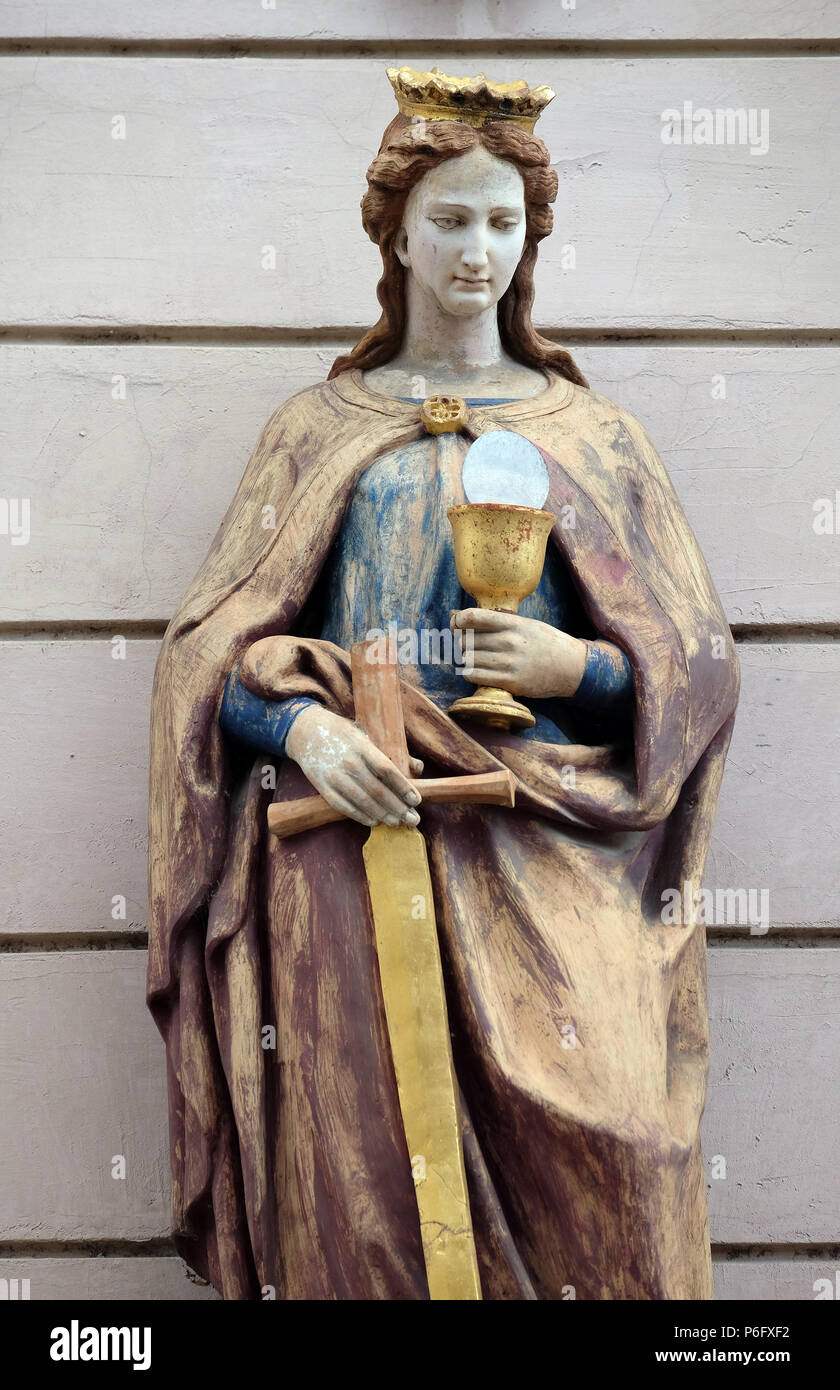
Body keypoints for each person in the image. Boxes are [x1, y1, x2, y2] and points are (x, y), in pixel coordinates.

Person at [148, 67, 739, 1300]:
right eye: (455, 219)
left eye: (503, 224)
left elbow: (695, 668)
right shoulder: (319, 431)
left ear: (531, 245)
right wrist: (305, 733)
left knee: (622, 1178)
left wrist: (576, 665)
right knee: (364, 1217)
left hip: (554, 856)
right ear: (399, 234)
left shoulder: (594, 434)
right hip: (358, 868)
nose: (480, 250)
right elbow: (213, 662)